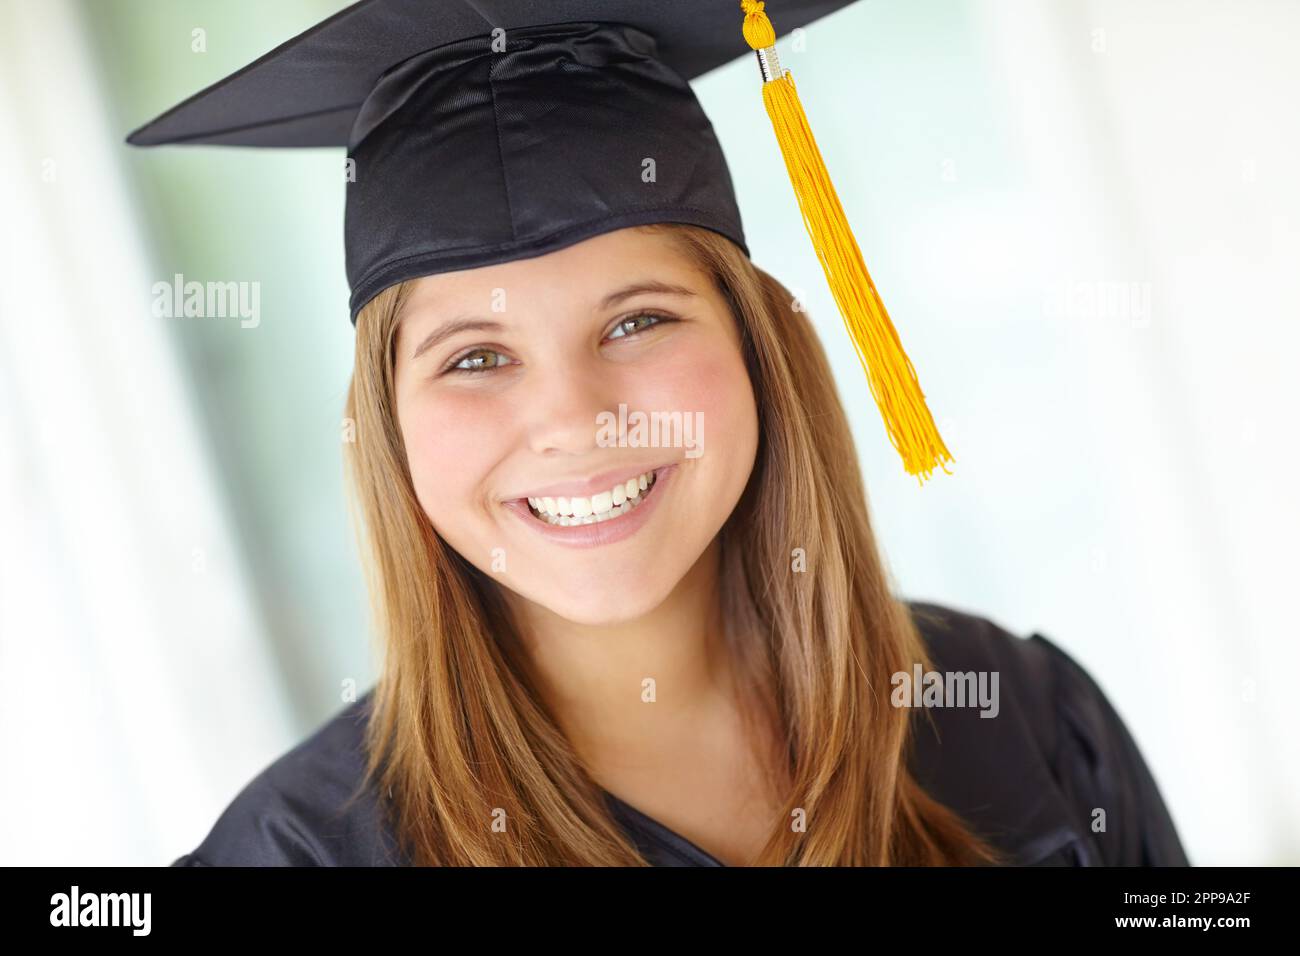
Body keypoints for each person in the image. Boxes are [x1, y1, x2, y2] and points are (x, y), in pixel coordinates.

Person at [129, 0, 1189, 866]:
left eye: (637, 321)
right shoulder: (297, 855)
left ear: (758, 345)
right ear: (388, 424)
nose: (575, 418)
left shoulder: (1020, 720)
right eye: (474, 357)